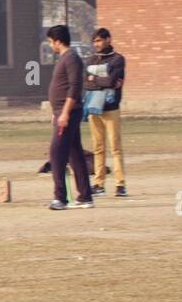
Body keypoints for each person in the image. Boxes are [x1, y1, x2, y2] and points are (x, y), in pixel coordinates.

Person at [45, 26, 92, 210]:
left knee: (56, 154)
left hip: (69, 113)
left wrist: (64, 113)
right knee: (75, 154)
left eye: (50, 42)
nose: (50, 45)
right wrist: (55, 111)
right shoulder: (64, 59)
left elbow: (74, 88)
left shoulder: (71, 58)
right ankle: (85, 196)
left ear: (58, 41)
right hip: (61, 112)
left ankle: (60, 199)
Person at [84, 28, 127, 197]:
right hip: (94, 108)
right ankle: (98, 184)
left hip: (111, 108)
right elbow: (85, 84)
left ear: (108, 40)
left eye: (99, 41)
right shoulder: (91, 59)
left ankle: (120, 184)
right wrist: (101, 82)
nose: (97, 44)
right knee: (98, 148)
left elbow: (111, 81)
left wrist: (94, 79)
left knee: (115, 147)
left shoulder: (118, 59)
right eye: (94, 41)